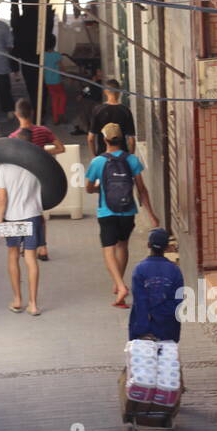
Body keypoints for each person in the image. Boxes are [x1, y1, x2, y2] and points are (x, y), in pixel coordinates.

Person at [86, 121, 158, 306]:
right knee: (122, 246)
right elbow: (142, 189)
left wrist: (99, 189)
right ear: (122, 139)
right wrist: (151, 214)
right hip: (128, 211)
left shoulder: (98, 161)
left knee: (108, 250)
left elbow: (88, 188)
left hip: (106, 211)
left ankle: (120, 285)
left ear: (105, 139)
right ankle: (117, 283)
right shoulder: (131, 160)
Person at [10, 98, 65, 262]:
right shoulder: (43, 131)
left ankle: (25, 245)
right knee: (38, 212)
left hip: (20, 180)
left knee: (21, 211)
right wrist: (43, 155)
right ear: (32, 112)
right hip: (40, 178)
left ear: (16, 114)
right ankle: (43, 247)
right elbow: (60, 148)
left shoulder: (13, 137)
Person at [0, 152, 45, 316]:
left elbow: (2, 197)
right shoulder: (37, 164)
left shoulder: (4, 167)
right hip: (33, 214)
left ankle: (17, 300)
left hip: (12, 217)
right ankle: (33, 304)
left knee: (13, 255)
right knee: (31, 259)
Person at [128, 229, 185, 343]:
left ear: (148, 245)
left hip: (143, 328)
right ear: (167, 247)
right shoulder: (175, 270)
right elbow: (177, 301)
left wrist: (142, 330)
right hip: (168, 328)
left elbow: (140, 301)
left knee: (146, 359)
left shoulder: (139, 270)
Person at [88, 78, 136, 157]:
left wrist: (94, 156)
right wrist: (129, 157)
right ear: (119, 91)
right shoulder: (125, 111)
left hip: (103, 154)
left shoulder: (98, 110)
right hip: (122, 155)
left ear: (105, 91)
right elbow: (131, 140)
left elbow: (90, 138)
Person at [43, 36, 68, 127]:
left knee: (54, 98)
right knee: (62, 96)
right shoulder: (57, 55)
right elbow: (62, 67)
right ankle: (61, 114)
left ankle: (55, 119)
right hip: (57, 81)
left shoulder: (43, 55)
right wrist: (66, 75)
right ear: (54, 44)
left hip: (48, 81)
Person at [72, 65, 103, 138]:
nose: (99, 73)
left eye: (100, 71)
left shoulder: (103, 81)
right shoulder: (94, 79)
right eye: (98, 72)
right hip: (89, 99)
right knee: (83, 110)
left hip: (97, 100)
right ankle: (84, 128)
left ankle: (90, 128)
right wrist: (81, 94)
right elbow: (87, 88)